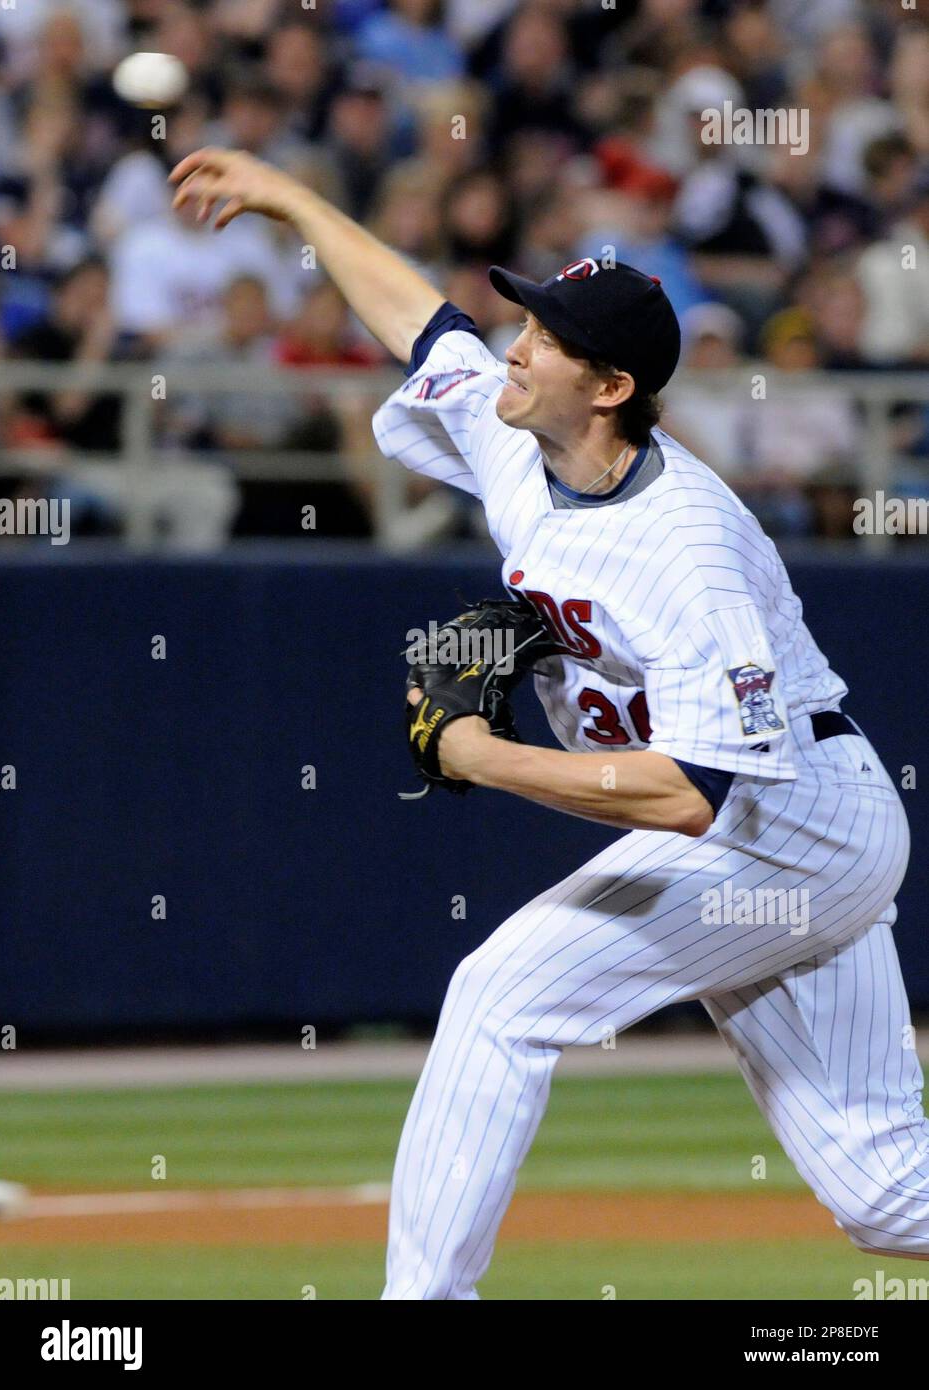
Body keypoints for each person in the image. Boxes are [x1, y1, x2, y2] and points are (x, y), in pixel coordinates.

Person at [169, 148, 926, 1300]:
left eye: (543, 337)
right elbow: (421, 325)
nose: (514, 347)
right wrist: (292, 201)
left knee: (500, 994)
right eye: (524, 322)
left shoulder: (686, 550)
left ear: (608, 386)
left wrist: (482, 756)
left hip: (789, 824)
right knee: (883, 1191)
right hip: (785, 822)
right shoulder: (518, 434)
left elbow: (687, 795)